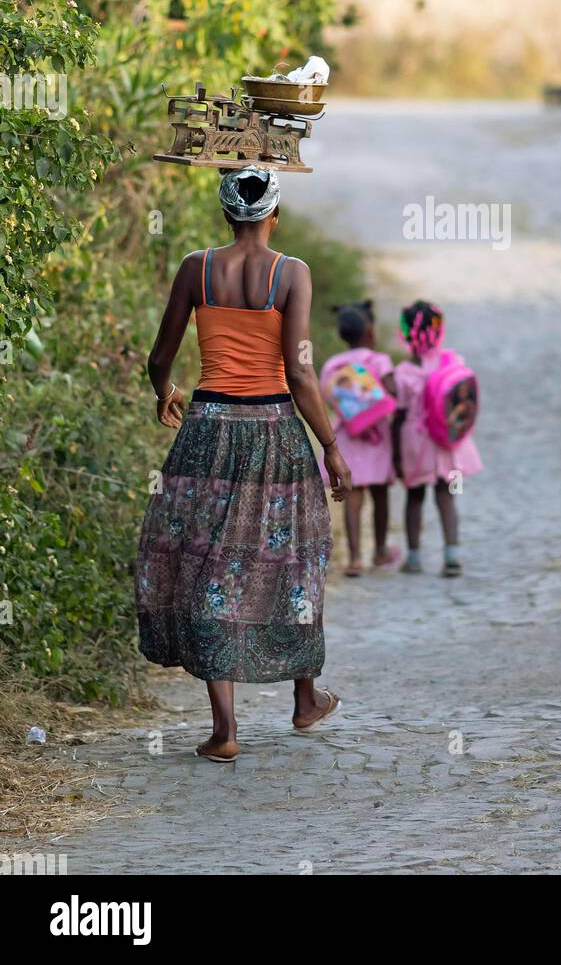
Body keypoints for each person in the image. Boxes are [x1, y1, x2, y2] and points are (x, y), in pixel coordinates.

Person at [135, 164, 352, 763]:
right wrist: (330, 445)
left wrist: (166, 394)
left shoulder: (195, 268)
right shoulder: (292, 274)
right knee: (293, 556)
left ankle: (225, 731)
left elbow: (160, 356)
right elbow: (301, 369)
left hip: (205, 431)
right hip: (276, 434)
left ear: (226, 215)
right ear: (273, 215)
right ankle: (304, 698)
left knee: (208, 560)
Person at [392, 300, 481, 577]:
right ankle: (452, 555)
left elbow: (400, 415)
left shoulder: (405, 373)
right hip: (446, 442)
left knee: (414, 498)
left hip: (417, 443)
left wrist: (396, 454)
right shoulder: (452, 361)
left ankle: (414, 557)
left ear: (406, 333)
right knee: (446, 496)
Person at [319, 300, 400, 577]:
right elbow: (392, 389)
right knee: (380, 494)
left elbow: (327, 396)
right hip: (377, 436)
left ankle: (354, 559)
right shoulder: (378, 360)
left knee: (352, 497)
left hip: (348, 435)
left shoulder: (332, 364)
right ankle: (379, 551)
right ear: (369, 330)